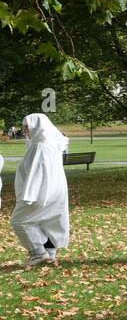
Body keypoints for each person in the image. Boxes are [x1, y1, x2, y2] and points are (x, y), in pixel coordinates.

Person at [9, 113, 70, 267]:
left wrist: (31, 194)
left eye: (27, 127)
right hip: (55, 191)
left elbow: (39, 171)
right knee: (48, 221)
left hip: (41, 192)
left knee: (19, 221)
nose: (25, 131)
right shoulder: (50, 143)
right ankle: (50, 254)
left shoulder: (41, 146)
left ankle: (38, 253)